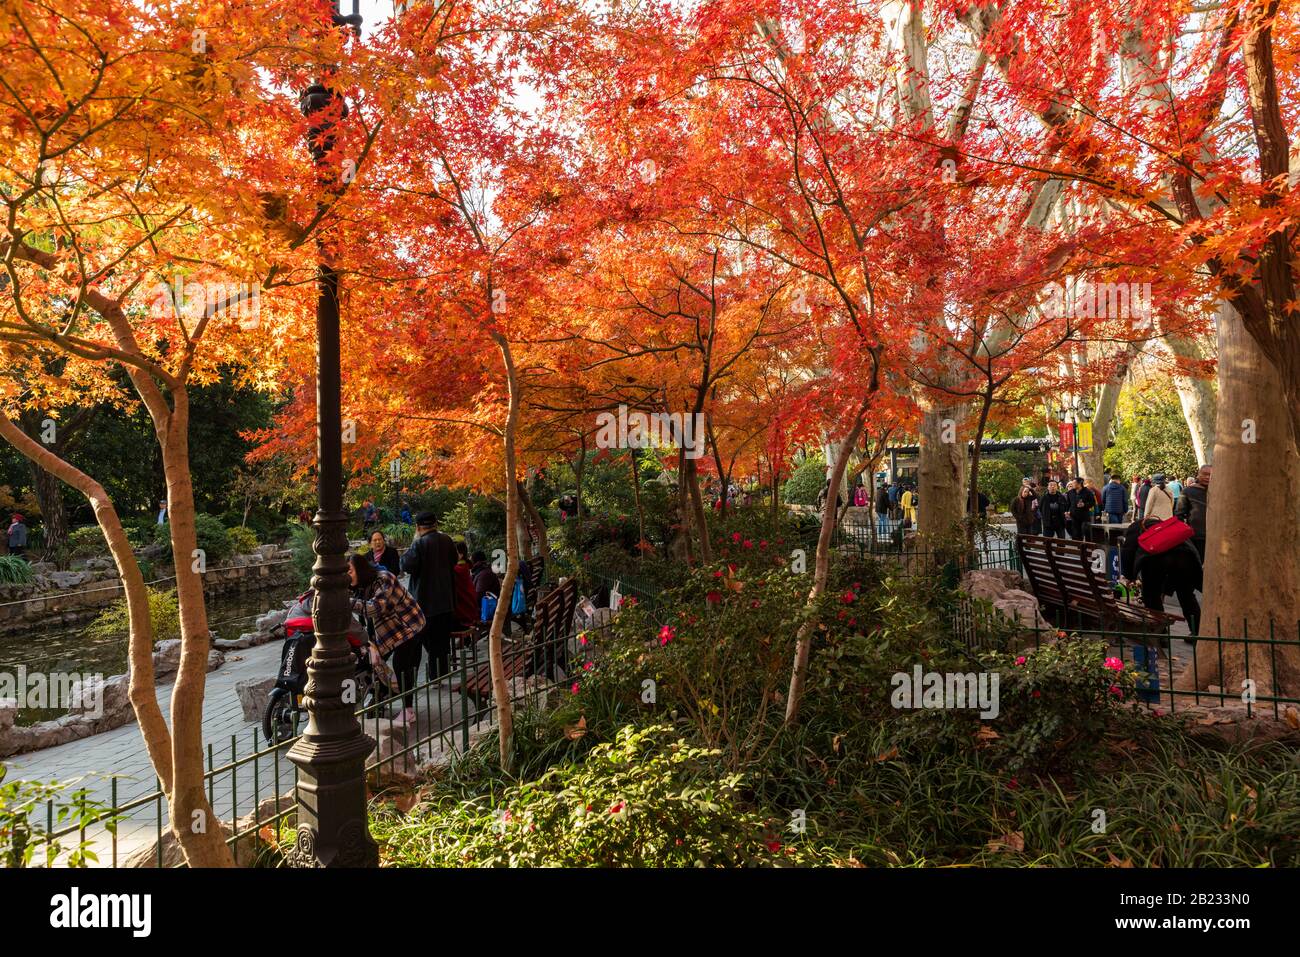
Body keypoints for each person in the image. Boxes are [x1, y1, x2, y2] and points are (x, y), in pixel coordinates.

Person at [349, 552, 425, 723]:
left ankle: (408, 710)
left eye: (350, 571)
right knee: (374, 662)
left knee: (401, 665)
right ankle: (385, 695)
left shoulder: (384, 578)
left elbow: (375, 608)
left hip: (409, 626)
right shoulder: (360, 586)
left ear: (360, 570)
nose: (348, 576)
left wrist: (348, 602)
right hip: (388, 631)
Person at [400, 511, 459, 684]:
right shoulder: (447, 541)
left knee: (422, 640)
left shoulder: (419, 544)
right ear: (435, 524)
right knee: (441, 642)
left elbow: (406, 565)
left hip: (425, 603)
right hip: (446, 600)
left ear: (418, 527)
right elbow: (454, 561)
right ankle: (439, 675)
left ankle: (423, 677)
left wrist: (413, 543)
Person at [1120, 517, 1202, 637]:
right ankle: (1198, 633)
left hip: (1157, 558)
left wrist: (1129, 577)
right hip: (1185, 555)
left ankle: (1160, 635)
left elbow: (1127, 552)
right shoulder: (1165, 525)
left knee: (1151, 595)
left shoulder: (1134, 528)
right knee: (1186, 595)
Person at [1174, 464, 1211, 563]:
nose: (1208, 477)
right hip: (1197, 537)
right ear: (1198, 475)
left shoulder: (1220, 491)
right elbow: (1179, 514)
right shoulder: (1188, 491)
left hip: (1216, 536)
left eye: (1211, 475)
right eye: (1205, 474)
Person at [452, 540, 478, 629]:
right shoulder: (465, 566)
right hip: (470, 608)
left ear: (461, 554)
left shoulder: (458, 569)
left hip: (465, 612)